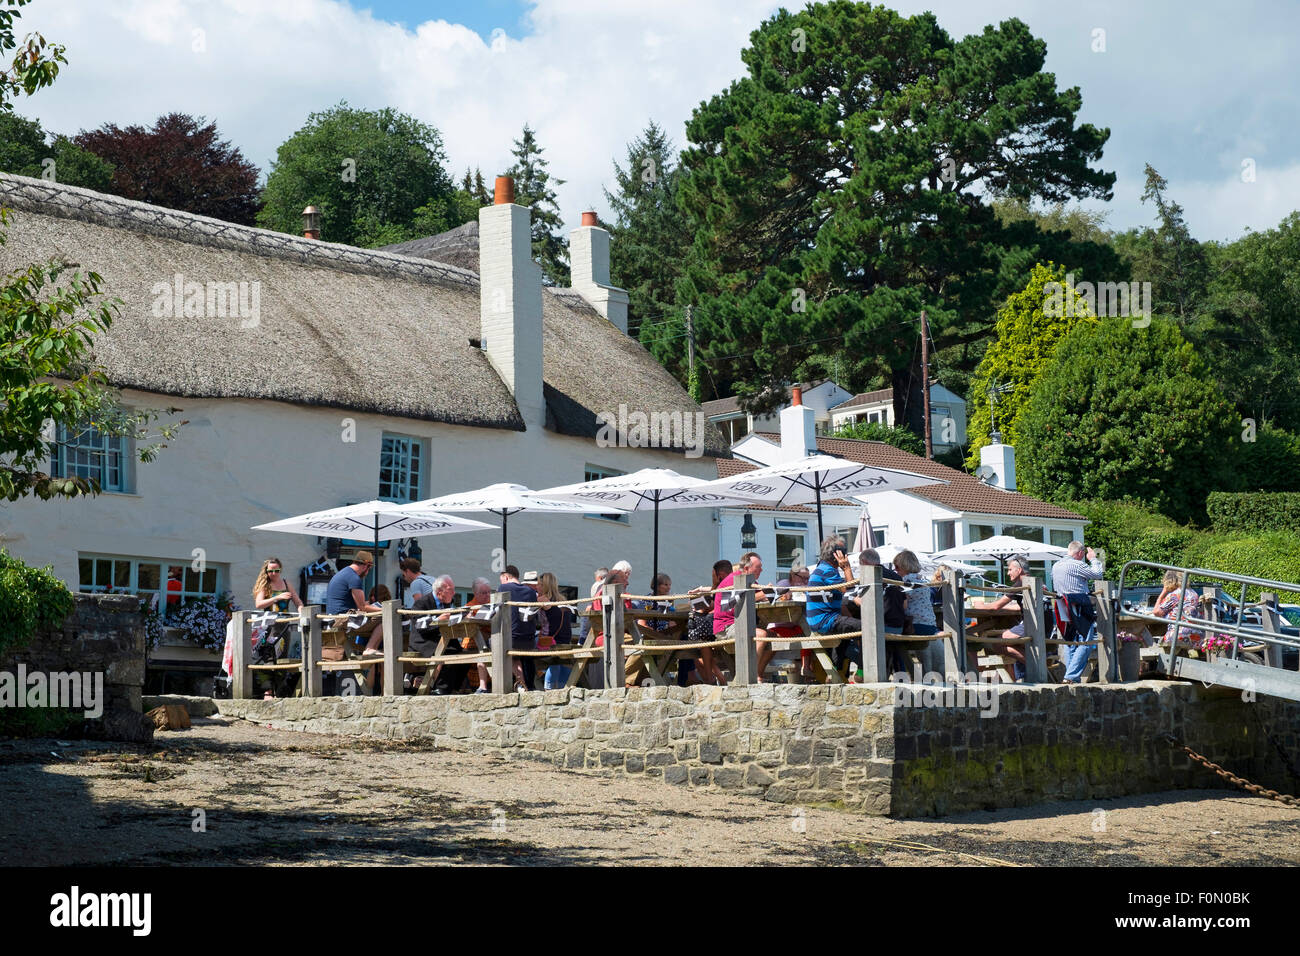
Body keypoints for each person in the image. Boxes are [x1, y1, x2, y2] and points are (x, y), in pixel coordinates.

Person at [1050, 541, 1105, 684]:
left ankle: (1071, 677)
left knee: (1071, 643)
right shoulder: (1077, 564)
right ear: (1080, 553)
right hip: (1079, 606)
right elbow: (1098, 574)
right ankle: (1070, 676)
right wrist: (1093, 558)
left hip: (1063, 607)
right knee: (1086, 642)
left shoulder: (1055, 566)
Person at [805, 536, 862, 672]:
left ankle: (837, 671)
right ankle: (862, 671)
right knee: (866, 627)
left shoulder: (822, 568)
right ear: (838, 555)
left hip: (821, 619)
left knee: (848, 631)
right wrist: (846, 567)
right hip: (825, 621)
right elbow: (848, 590)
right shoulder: (828, 571)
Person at [716, 552, 774, 679]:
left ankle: (757, 675)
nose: (761, 570)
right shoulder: (733, 579)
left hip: (741, 623)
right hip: (726, 627)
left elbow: (759, 595)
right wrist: (764, 593)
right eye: (758, 567)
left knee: (774, 635)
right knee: (761, 635)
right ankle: (746, 676)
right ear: (747, 568)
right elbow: (735, 601)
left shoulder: (750, 580)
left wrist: (779, 593)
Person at [972, 555, 1031, 680]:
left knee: (997, 643)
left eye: (1010, 569)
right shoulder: (1036, 581)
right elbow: (1021, 607)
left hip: (1031, 626)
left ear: (1019, 570)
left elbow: (995, 607)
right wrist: (1007, 608)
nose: (1008, 573)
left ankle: (1035, 664)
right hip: (1044, 626)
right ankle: (1028, 670)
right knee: (1015, 643)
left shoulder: (1020, 585)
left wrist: (980, 606)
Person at [325, 551, 384, 658]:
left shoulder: (343, 573)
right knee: (387, 619)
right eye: (369, 569)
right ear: (366, 565)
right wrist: (385, 610)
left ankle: (370, 648)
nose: (367, 573)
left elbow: (350, 603)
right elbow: (363, 607)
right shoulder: (354, 578)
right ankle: (370, 648)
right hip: (342, 620)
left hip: (334, 618)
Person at [687, 560, 732, 685]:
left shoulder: (725, 586)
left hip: (718, 627)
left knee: (701, 643)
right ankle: (713, 678)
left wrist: (702, 603)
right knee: (700, 647)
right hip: (713, 627)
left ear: (720, 575)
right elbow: (713, 597)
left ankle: (711, 678)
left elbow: (714, 604)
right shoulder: (722, 585)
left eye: (713, 575)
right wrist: (703, 589)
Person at [499, 565, 539, 691]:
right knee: (523, 657)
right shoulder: (532, 592)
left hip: (511, 641)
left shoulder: (503, 588)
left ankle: (519, 684)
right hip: (529, 641)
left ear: (506, 577)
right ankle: (527, 685)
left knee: (487, 646)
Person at [538, 572, 574, 690]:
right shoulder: (563, 600)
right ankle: (562, 688)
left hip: (549, 642)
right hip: (565, 641)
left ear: (544, 586)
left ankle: (547, 689)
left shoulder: (543, 600)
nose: (537, 587)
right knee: (562, 662)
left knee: (522, 647)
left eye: (539, 584)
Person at [1152, 569, 1205, 646]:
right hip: (1197, 636)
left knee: (1154, 641)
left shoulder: (1175, 595)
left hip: (1179, 635)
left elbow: (1157, 612)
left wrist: (1162, 594)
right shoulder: (1193, 593)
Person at [463, 577, 494, 693]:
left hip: (492, 638)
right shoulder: (470, 606)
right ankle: (482, 686)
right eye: (483, 593)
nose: (487, 595)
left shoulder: (493, 603)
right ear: (475, 593)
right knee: (480, 646)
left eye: (488, 592)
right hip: (475, 640)